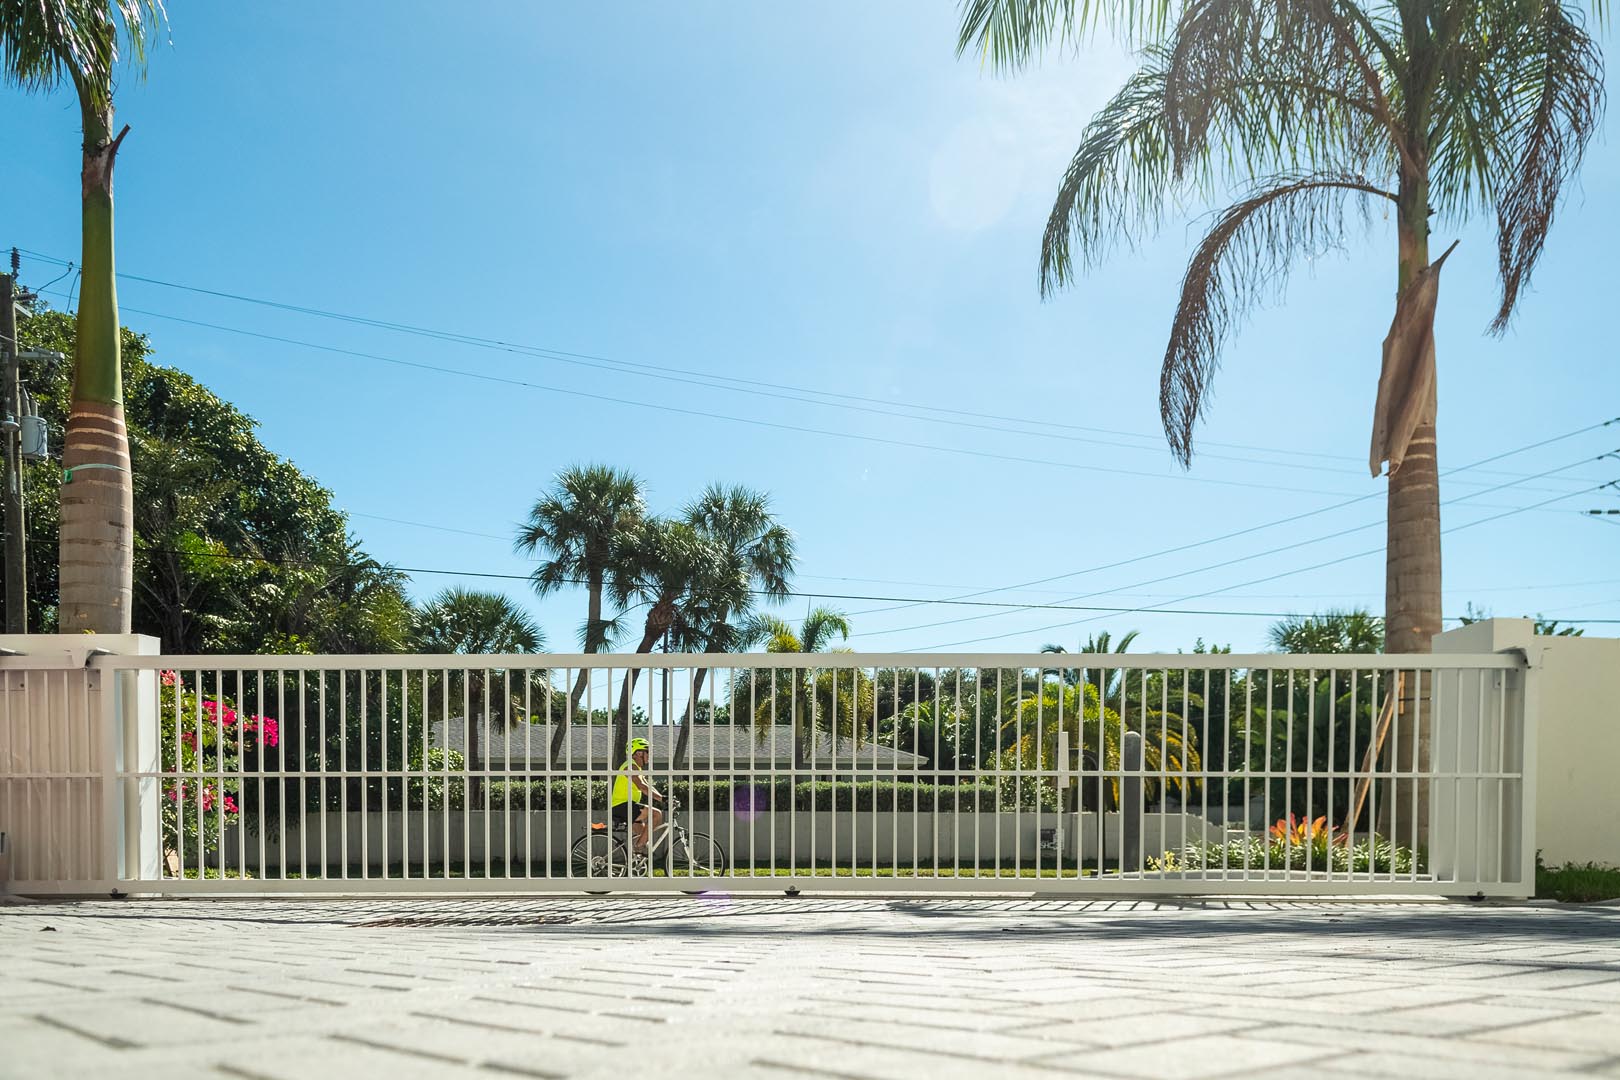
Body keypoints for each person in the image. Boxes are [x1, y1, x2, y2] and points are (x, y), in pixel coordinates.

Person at [609, 737, 664, 852]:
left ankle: (634, 865)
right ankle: (638, 847)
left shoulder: (636, 767)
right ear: (639, 753)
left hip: (628, 806)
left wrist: (664, 797)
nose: (649, 755)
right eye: (647, 751)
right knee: (657, 814)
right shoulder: (630, 766)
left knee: (643, 838)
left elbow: (647, 785)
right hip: (623, 806)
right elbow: (642, 787)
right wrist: (662, 799)